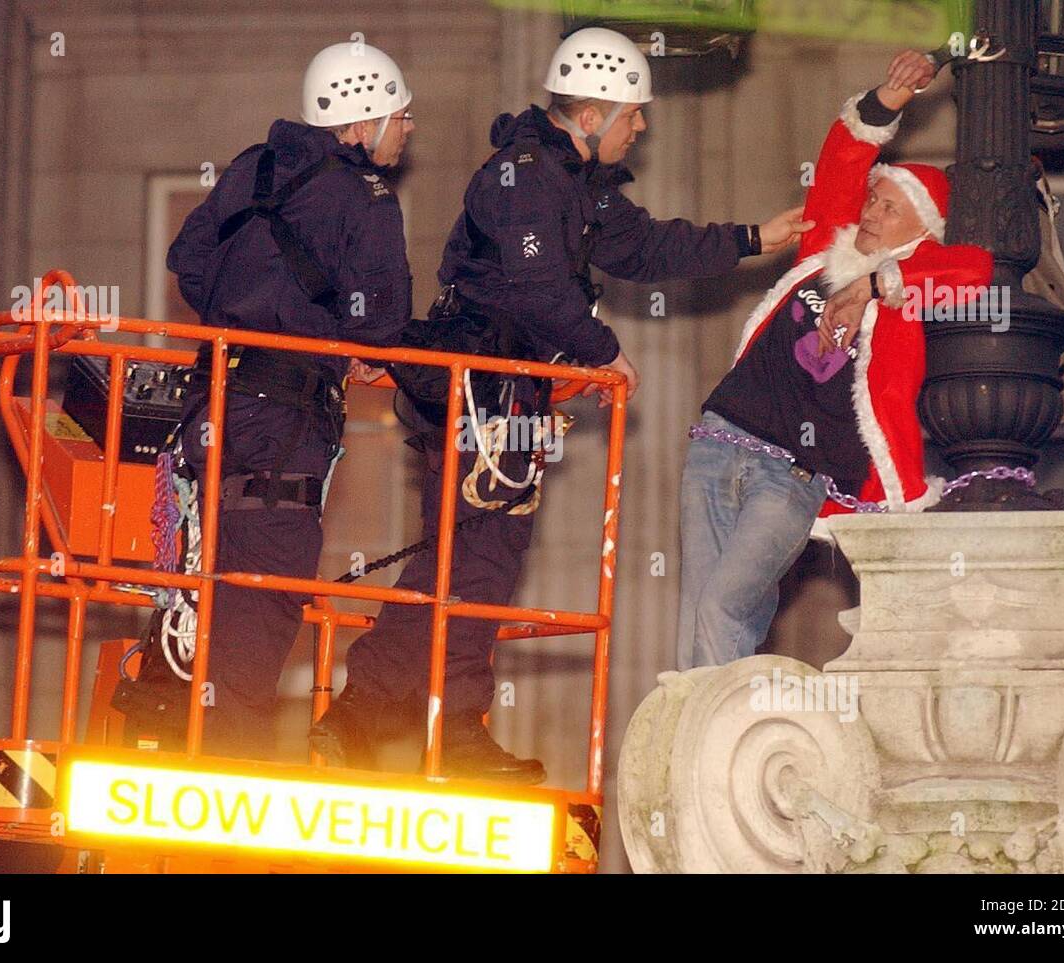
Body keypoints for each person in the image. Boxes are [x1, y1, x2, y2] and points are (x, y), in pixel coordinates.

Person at [311, 26, 812, 783]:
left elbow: (641, 248)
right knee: (475, 561)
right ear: (590, 116)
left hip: (504, 390)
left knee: (472, 561)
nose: (639, 126)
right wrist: (603, 350)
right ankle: (407, 721)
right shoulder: (524, 174)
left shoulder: (571, 180)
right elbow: (537, 289)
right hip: (482, 386)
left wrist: (749, 238)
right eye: (630, 114)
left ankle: (392, 719)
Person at [677, 50, 995, 670]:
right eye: (873, 200)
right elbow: (844, 158)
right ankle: (712, 737)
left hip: (794, 476)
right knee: (701, 608)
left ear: (920, 232)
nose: (871, 211)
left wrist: (876, 286)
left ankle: (718, 738)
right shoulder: (828, 247)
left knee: (724, 602)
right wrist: (892, 99)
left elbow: (976, 273)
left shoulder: (908, 296)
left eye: (889, 208)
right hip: (720, 441)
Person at [163, 41, 416, 759]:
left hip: (210, 409)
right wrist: (329, 340)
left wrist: (252, 310)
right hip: (281, 426)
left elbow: (188, 261)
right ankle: (219, 813)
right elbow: (384, 323)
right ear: (362, 122)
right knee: (260, 602)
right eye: (401, 115)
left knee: (200, 597)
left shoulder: (255, 167)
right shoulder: (365, 200)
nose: (409, 129)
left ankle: (174, 740)